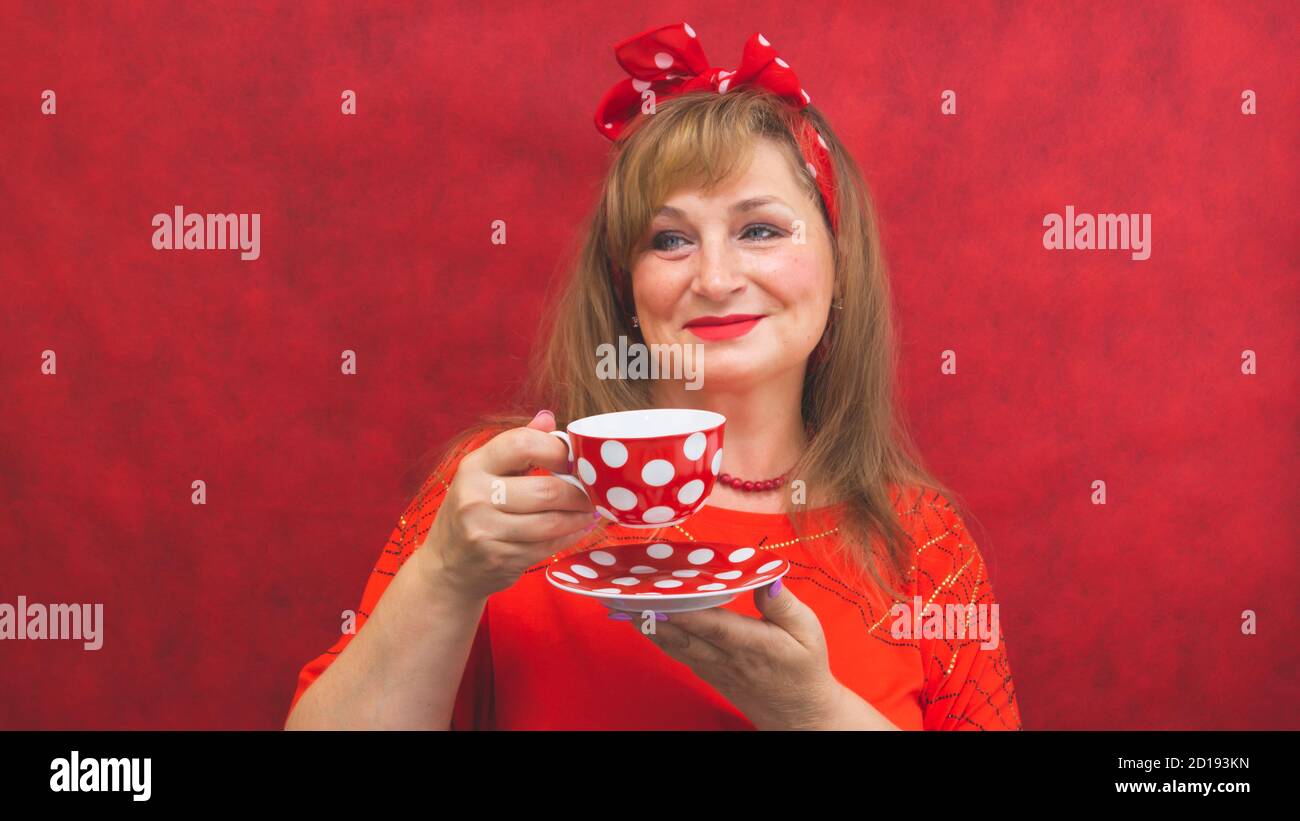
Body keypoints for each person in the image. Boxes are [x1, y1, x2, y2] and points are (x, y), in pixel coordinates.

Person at [284, 22, 1021, 730]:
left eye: (759, 229)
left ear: (841, 268)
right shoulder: (498, 499)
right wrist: (444, 574)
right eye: (669, 239)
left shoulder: (925, 543)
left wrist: (812, 714)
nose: (715, 276)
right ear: (625, 288)